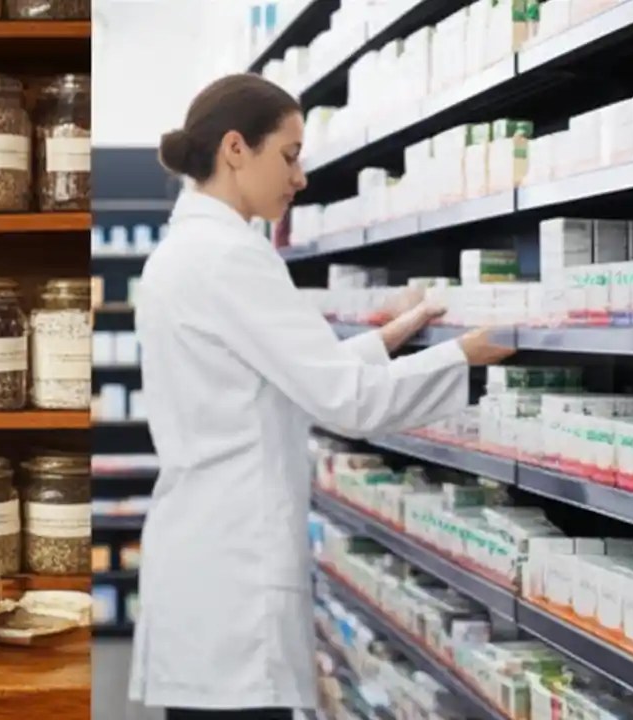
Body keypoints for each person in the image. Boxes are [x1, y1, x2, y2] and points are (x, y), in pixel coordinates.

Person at [127, 74, 515, 720]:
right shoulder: (232, 257)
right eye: (289, 153)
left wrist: (388, 337)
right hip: (233, 586)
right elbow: (346, 402)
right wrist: (464, 355)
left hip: (201, 567)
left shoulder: (180, 255)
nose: (300, 177)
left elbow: (277, 375)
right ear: (234, 149)